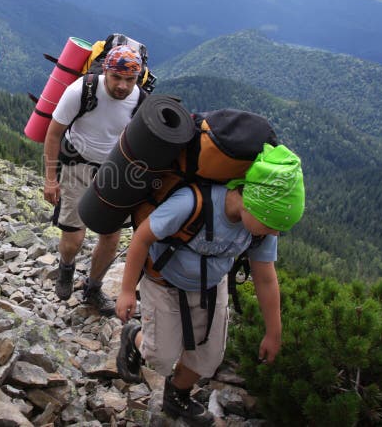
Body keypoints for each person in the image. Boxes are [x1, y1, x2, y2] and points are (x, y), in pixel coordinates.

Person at [115, 143, 305, 425]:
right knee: (160, 358)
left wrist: (274, 331)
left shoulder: (261, 230)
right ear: (252, 201)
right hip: (164, 283)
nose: (274, 232)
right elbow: (143, 237)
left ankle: (177, 395)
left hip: (212, 286)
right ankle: (134, 336)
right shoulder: (193, 203)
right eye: (270, 224)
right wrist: (128, 290)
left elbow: (266, 278)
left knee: (209, 356)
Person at [43, 45, 145, 316]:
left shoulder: (140, 100)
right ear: (106, 72)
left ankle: (93, 288)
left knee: (111, 237)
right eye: (117, 78)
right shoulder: (81, 90)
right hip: (77, 164)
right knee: (73, 236)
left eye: (130, 80)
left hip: (115, 171)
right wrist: (50, 179)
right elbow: (53, 134)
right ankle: (66, 266)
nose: (123, 86)